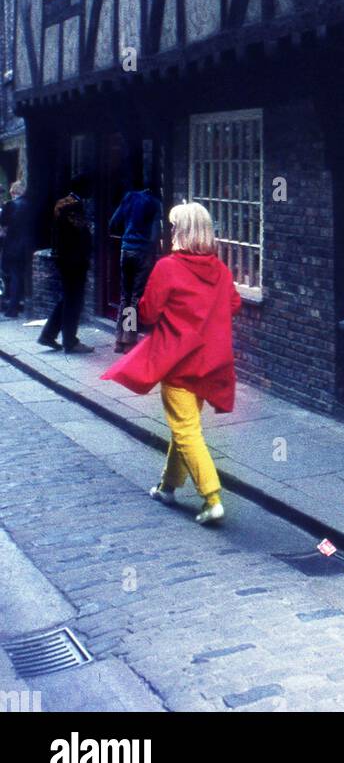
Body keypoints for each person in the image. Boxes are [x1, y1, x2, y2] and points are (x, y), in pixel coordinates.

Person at [100, 202, 240, 525]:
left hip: (177, 365)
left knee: (187, 430)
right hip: (209, 364)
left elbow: (147, 313)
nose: (171, 231)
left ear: (182, 231)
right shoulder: (219, 270)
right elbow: (233, 304)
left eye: (175, 226)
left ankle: (212, 497)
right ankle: (167, 487)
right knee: (185, 428)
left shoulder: (167, 267)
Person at [38, 180, 93, 354]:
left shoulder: (62, 202)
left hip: (63, 258)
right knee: (74, 300)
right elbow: (81, 230)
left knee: (68, 298)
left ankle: (48, 335)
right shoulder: (74, 205)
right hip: (74, 259)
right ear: (82, 188)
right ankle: (70, 341)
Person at [109, 182, 163, 354]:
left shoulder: (129, 197)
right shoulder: (155, 203)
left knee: (125, 294)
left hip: (126, 249)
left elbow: (113, 223)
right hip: (142, 251)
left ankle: (119, 339)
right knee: (135, 297)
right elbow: (155, 235)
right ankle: (128, 338)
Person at [1, 181, 31, 317]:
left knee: (14, 276)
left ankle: (12, 309)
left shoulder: (11, 205)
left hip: (13, 245)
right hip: (28, 246)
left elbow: (3, 224)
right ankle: (20, 304)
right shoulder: (30, 205)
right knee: (21, 275)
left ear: (13, 192)